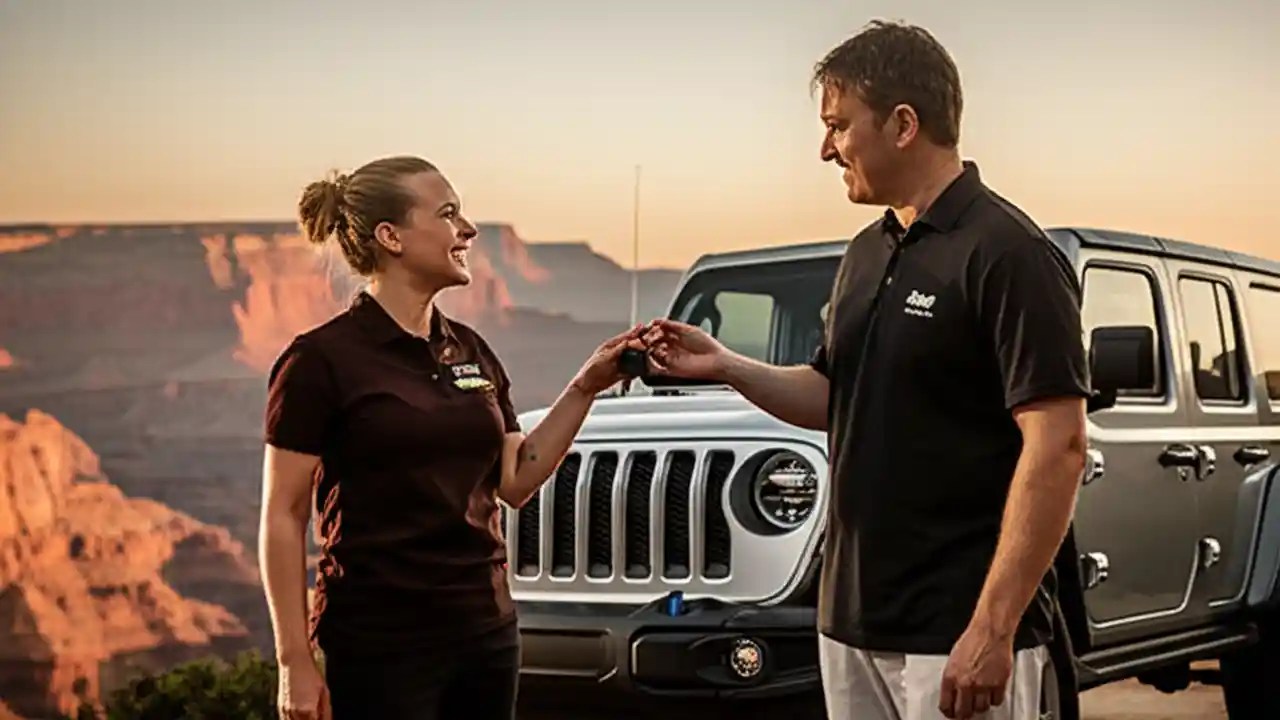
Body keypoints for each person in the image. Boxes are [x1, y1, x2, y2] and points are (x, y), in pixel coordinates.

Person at [641, 20, 1090, 720]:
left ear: (904, 123)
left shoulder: (1010, 254)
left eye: (839, 125)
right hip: (850, 622)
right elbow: (832, 395)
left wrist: (994, 627)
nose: (825, 148)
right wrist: (727, 365)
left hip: (956, 629)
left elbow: (1058, 445)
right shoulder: (865, 254)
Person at [258, 155, 645, 720]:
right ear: (390, 237)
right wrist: (294, 660)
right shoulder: (320, 361)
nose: (468, 230)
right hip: (380, 644)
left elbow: (517, 478)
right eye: (448, 214)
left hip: (485, 634)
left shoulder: (469, 348)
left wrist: (586, 386)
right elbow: (282, 515)